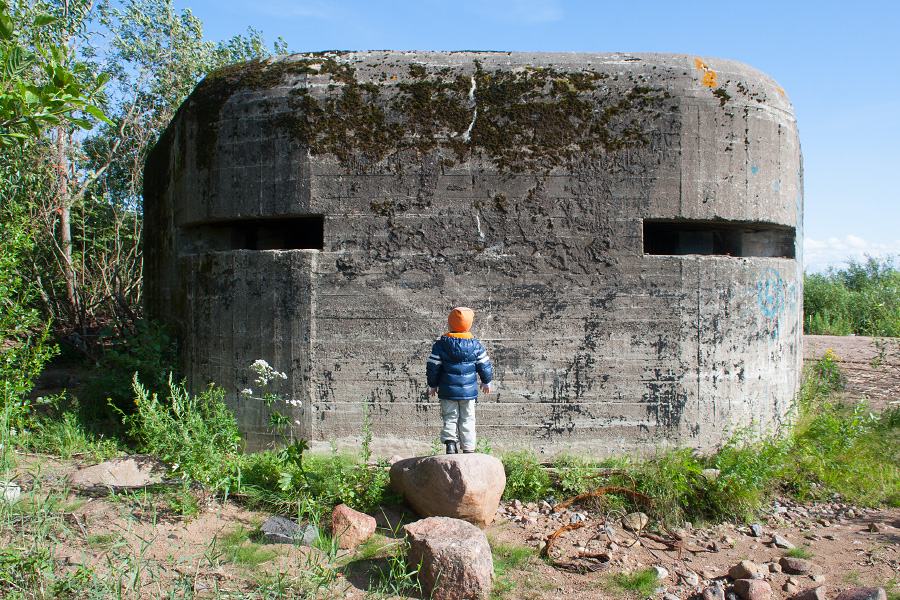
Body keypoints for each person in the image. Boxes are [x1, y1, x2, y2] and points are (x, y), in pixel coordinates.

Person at [426, 307, 493, 454]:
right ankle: (468, 448)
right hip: (468, 392)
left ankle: (450, 445)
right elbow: (484, 365)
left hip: (447, 391)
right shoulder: (476, 345)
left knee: (450, 416)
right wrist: (486, 381)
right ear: (469, 325)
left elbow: (433, 367)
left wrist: (433, 385)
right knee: (468, 418)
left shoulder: (440, 345)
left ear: (450, 324)